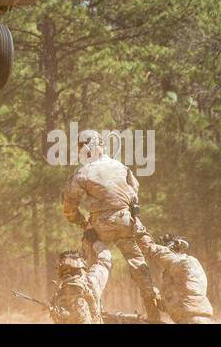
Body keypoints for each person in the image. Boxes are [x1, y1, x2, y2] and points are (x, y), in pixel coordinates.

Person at [61, 129, 161, 321]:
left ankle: (91, 309)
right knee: (137, 261)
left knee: (99, 261)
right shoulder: (121, 166)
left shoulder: (82, 172)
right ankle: (153, 309)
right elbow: (135, 190)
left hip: (101, 222)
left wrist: (83, 224)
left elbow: (70, 206)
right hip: (126, 220)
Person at [137, 232, 214, 324]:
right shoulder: (173, 276)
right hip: (187, 320)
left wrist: (150, 246)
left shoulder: (188, 263)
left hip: (195, 320)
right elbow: (171, 304)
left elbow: (174, 262)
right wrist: (152, 292)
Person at [49, 230, 113, 324]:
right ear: (81, 267)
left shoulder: (58, 292)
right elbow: (105, 260)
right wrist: (95, 242)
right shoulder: (91, 281)